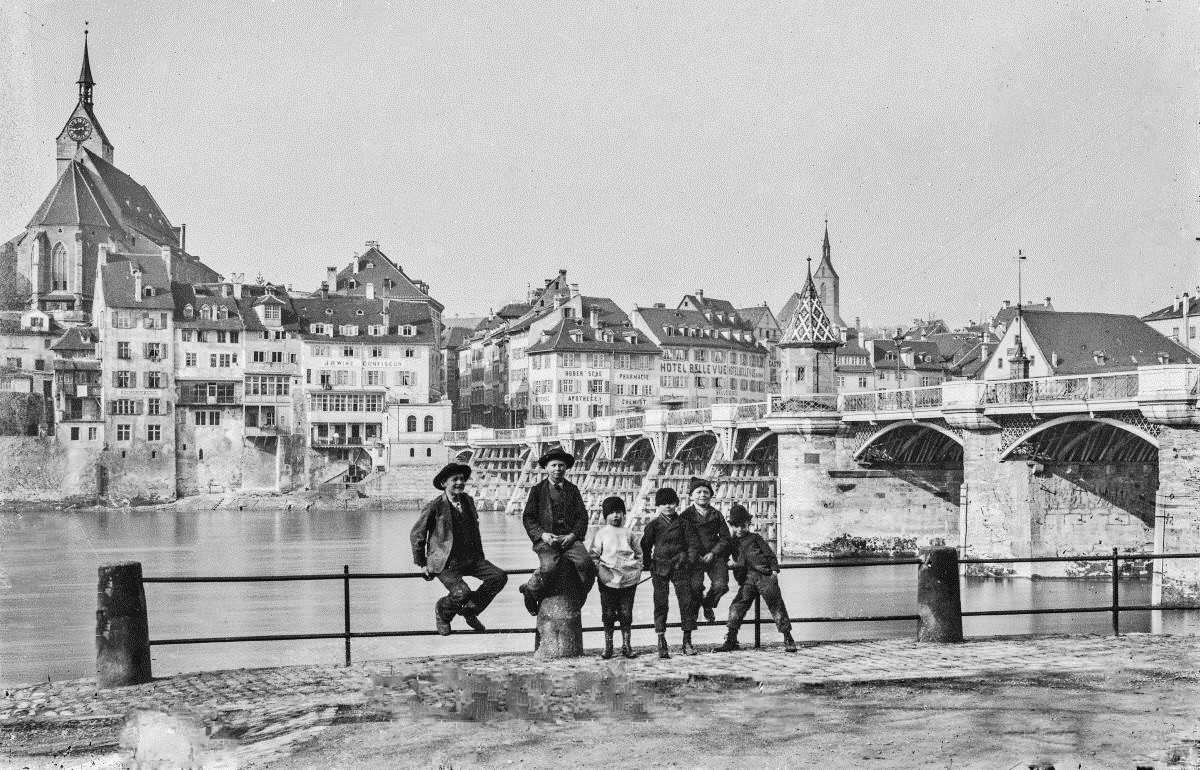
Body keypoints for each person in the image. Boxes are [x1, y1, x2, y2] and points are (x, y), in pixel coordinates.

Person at [410, 462, 508, 635]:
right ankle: (443, 612)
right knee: (461, 592)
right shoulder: (435, 506)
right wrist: (422, 563)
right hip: (445, 562)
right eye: (454, 479)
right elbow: (417, 534)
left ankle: (471, 610)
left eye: (462, 479)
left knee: (498, 577)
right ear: (444, 484)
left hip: (471, 558)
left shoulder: (468, 501)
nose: (459, 483)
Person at [518, 447, 596, 615]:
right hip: (547, 541)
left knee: (587, 566)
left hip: (569, 540)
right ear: (546, 468)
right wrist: (542, 535)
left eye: (561, 465)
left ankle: (577, 600)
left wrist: (573, 536)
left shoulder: (573, 490)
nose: (557, 469)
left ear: (566, 468)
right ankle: (530, 591)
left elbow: (582, 517)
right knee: (549, 568)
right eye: (553, 465)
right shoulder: (537, 490)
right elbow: (528, 518)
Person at [715, 504, 797, 653]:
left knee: (776, 606)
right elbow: (723, 556)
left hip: (764, 577)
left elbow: (770, 555)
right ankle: (731, 639)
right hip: (747, 579)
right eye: (736, 526)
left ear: (748, 524)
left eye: (743, 525)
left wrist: (773, 572)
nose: (740, 529)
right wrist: (727, 563)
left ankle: (788, 637)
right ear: (732, 526)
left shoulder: (755, 538)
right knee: (737, 606)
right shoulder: (731, 542)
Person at [640, 486, 700, 658]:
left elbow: (693, 545)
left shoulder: (684, 524)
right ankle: (661, 640)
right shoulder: (653, 525)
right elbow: (645, 546)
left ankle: (687, 641)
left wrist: (687, 560)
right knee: (660, 603)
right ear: (658, 506)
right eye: (663, 503)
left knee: (686, 602)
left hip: (680, 567)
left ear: (677, 504)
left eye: (671, 503)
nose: (668, 506)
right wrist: (648, 564)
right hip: (659, 568)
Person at [587, 496, 643, 659]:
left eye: (619, 512)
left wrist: (637, 570)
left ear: (624, 514)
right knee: (608, 614)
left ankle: (627, 646)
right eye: (611, 513)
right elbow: (594, 556)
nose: (616, 516)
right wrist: (600, 571)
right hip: (607, 580)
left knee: (626, 613)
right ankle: (608, 646)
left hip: (628, 580)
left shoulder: (630, 533)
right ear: (605, 516)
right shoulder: (601, 534)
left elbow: (639, 555)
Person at [681, 476, 731, 625]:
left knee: (721, 585)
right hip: (694, 558)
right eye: (698, 492)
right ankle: (695, 612)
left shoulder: (716, 514)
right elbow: (682, 539)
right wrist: (693, 555)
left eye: (706, 492)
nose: (702, 495)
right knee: (695, 587)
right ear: (691, 496)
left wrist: (714, 553)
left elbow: (725, 537)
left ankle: (708, 604)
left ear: (710, 495)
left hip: (714, 556)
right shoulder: (686, 516)